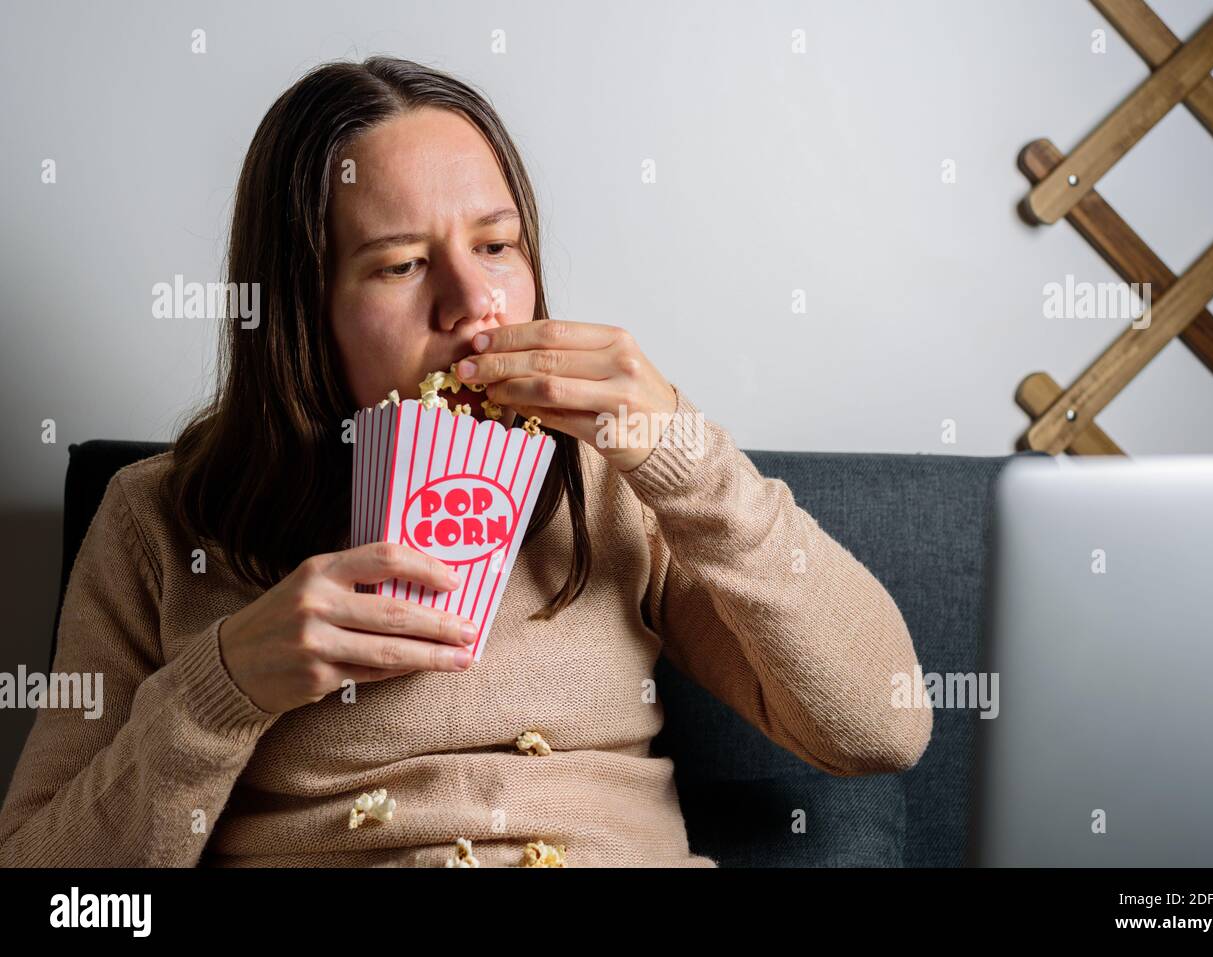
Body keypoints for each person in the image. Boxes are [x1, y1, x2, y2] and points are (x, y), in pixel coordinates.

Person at [0, 56, 931, 867]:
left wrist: (686, 455)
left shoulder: (610, 480)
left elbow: (883, 726)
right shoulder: (160, 518)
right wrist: (223, 688)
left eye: (496, 246)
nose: (472, 302)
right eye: (401, 264)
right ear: (300, 309)